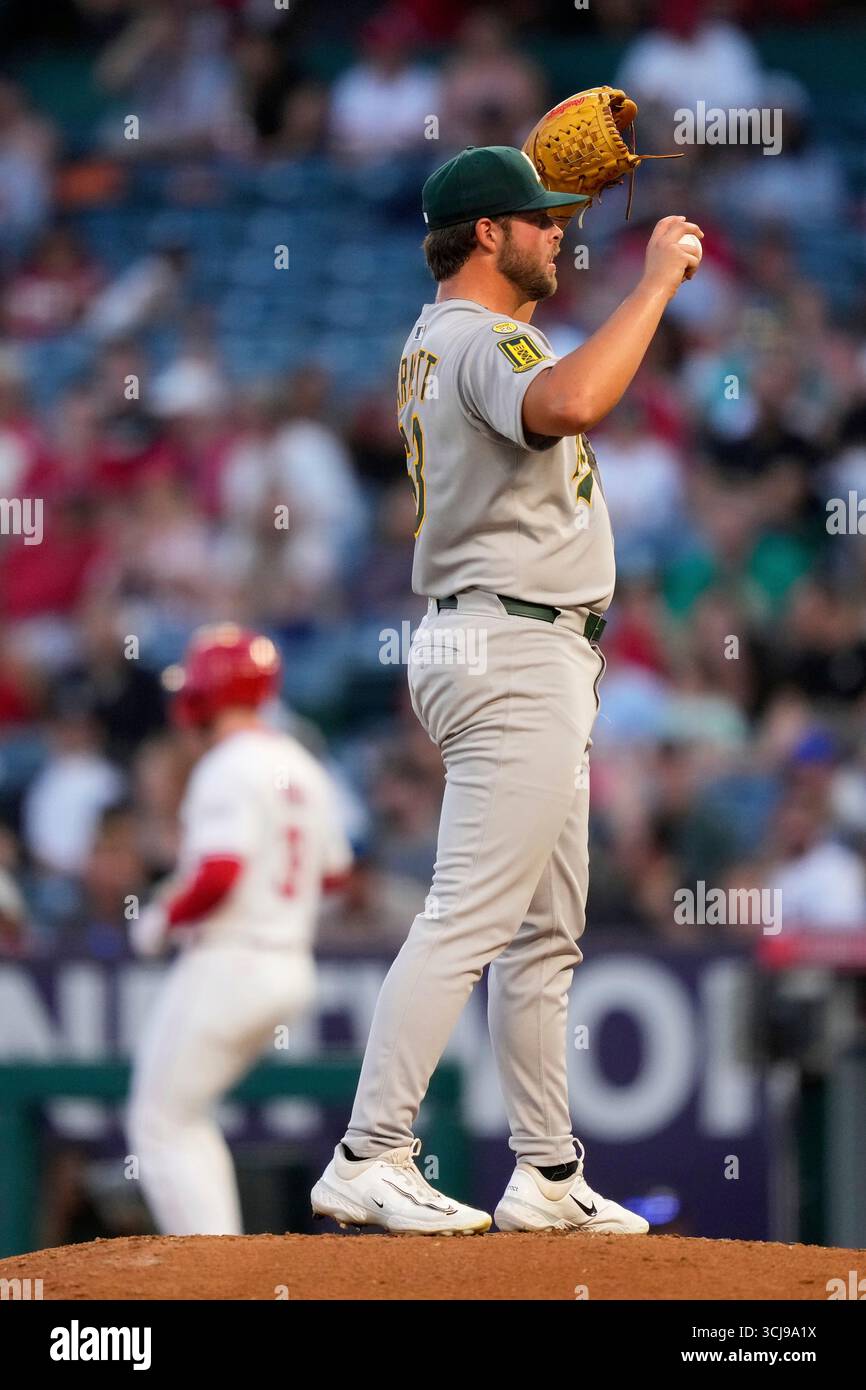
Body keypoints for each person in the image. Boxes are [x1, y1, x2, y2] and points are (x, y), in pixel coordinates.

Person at [312, 144, 702, 1234]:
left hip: (516, 644)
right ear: (485, 233)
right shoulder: (482, 337)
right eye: (534, 220)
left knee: (543, 930)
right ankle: (370, 1149)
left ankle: (544, 1171)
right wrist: (655, 282)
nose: (555, 234)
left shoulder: (447, 340)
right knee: (472, 913)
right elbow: (572, 400)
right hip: (511, 646)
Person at [127, 624, 352, 1235]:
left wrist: (160, 919)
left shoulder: (228, 765)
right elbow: (334, 875)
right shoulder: (302, 761)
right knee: (184, 1115)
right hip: (289, 961)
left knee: (160, 1120)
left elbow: (220, 872)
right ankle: (221, 1258)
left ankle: (214, 1269)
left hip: (232, 960)